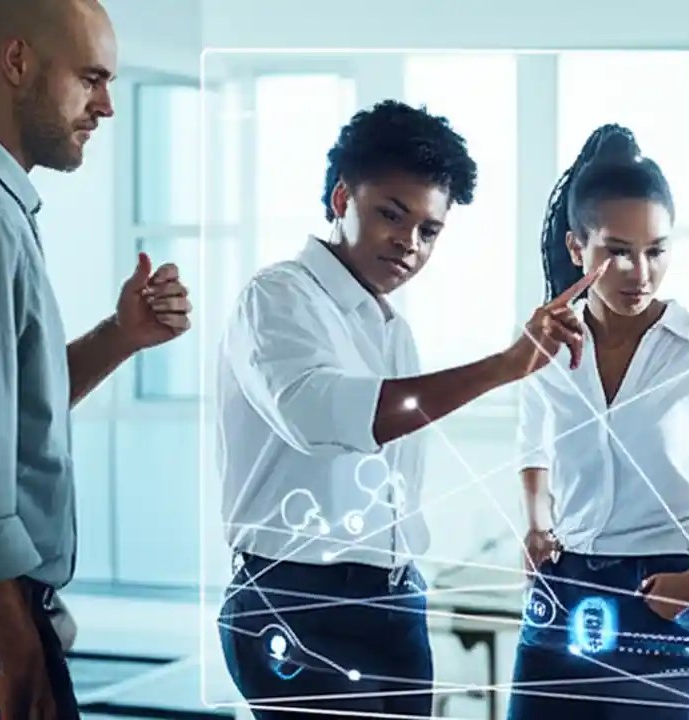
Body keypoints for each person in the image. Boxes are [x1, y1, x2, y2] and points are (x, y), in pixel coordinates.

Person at [215, 99, 600, 719]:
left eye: (429, 230)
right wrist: (505, 365)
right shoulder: (278, 296)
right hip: (297, 599)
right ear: (342, 200)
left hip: (393, 600)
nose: (409, 244)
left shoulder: (394, 330)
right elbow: (324, 417)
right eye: (390, 215)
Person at [0, 1, 193, 718]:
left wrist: (119, 334)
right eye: (91, 79)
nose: (106, 106)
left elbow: (9, 416)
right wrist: (16, 645)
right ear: (16, 63)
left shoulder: (4, 206)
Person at [507, 124, 689, 720]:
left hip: (665, 596)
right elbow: (532, 446)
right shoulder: (545, 345)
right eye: (616, 251)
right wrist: (536, 526)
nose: (639, 272)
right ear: (575, 248)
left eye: (656, 250)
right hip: (564, 592)